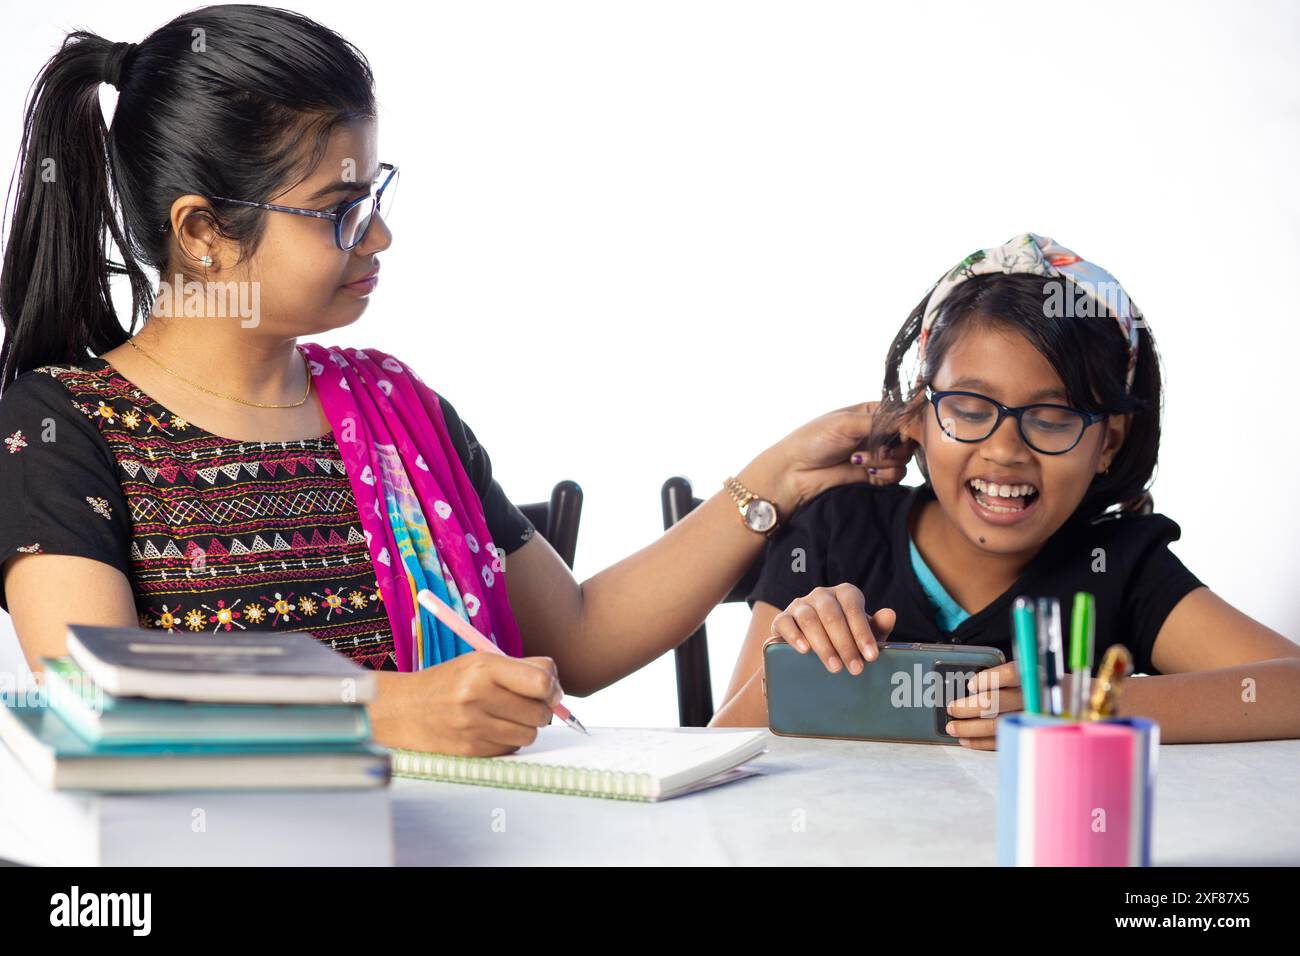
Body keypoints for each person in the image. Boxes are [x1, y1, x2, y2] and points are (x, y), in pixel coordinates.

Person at [0, 5, 892, 757]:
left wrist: (774, 480)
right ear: (203, 234)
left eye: (375, 196)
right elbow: (97, 702)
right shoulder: (61, 428)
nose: (378, 236)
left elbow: (574, 636)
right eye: (339, 211)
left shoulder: (396, 409)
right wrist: (388, 712)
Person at [711, 233, 1300, 747]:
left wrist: (1081, 709)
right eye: (969, 408)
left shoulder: (1121, 566)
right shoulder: (835, 528)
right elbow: (723, 749)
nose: (1006, 449)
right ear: (917, 415)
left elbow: (1288, 687)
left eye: (1051, 418)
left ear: (1109, 445)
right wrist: (792, 667)